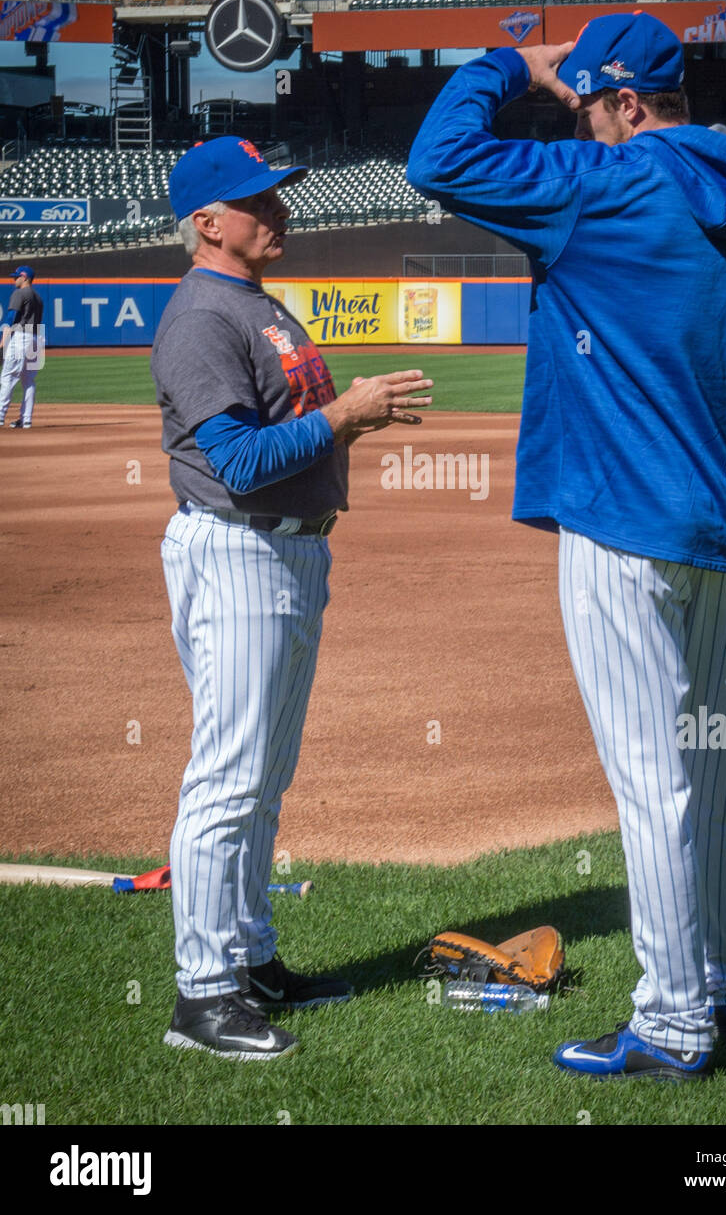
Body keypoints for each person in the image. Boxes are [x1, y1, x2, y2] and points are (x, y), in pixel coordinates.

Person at [407, 13, 726, 1081]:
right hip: (713, 533)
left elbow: (434, 159)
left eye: (582, 105)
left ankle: (671, 1023)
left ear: (627, 104)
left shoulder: (600, 182)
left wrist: (507, 66)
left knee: (651, 782)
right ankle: (719, 984)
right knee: (707, 777)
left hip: (618, 530)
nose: (572, 121)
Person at [152, 136, 432, 1060]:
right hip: (237, 551)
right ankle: (202, 996)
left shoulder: (257, 302)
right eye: (257, 201)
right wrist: (345, 413)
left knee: (265, 777)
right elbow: (233, 461)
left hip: (286, 556)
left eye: (277, 195)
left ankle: (251, 960)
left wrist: (345, 418)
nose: (278, 210)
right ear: (207, 223)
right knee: (227, 777)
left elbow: (289, 433)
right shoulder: (200, 316)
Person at [0, 266, 44, 429]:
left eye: (17, 276)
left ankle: (0, 415)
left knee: (8, 377)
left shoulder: (19, 293)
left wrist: (2, 341)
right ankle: (26, 419)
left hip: (21, 337)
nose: (14, 279)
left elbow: (11, 318)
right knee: (29, 381)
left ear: (25, 278)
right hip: (37, 338)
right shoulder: (38, 297)